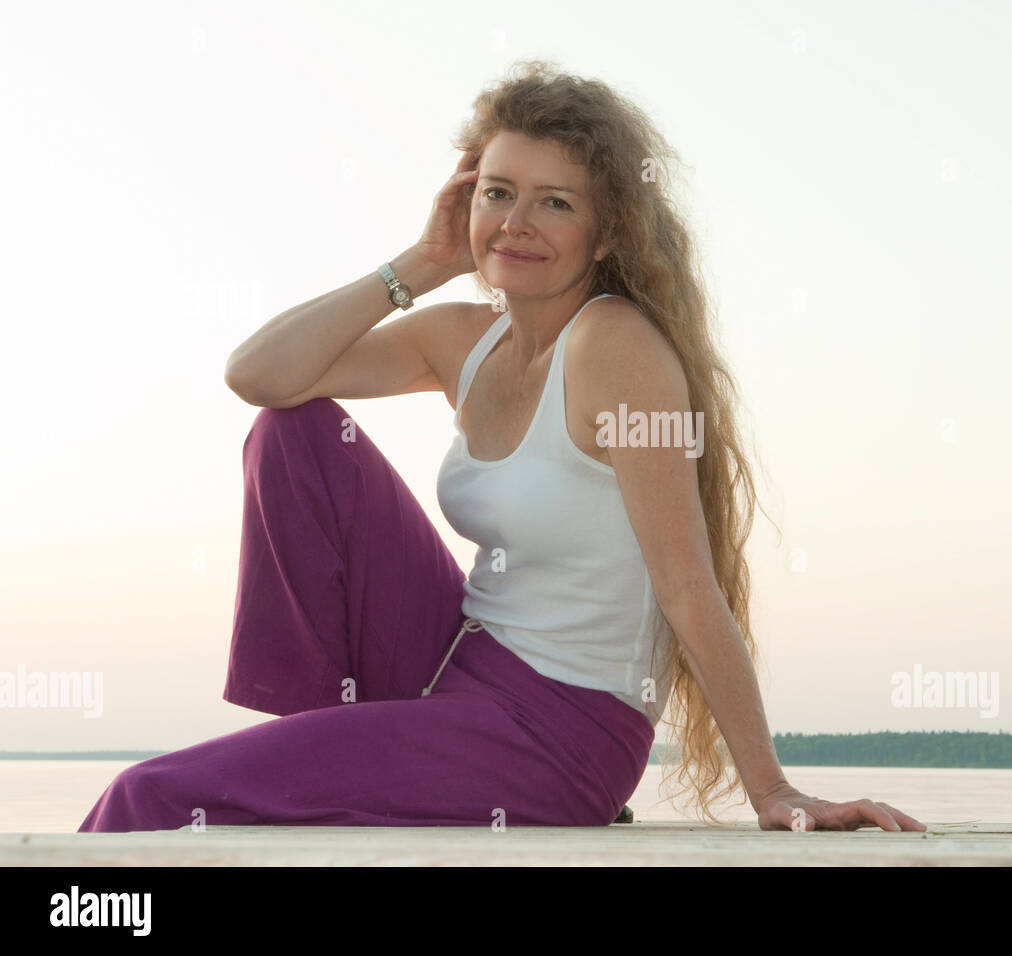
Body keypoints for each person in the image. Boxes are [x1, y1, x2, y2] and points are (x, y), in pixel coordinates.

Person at [79, 59, 925, 834]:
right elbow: (260, 374)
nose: (516, 223)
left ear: (607, 232)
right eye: (497, 192)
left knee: (146, 798)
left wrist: (772, 789)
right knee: (294, 427)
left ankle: (330, 755)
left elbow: (688, 586)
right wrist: (418, 262)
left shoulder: (615, 348)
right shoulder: (465, 340)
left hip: (555, 734)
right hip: (455, 659)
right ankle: (326, 724)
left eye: (556, 202)